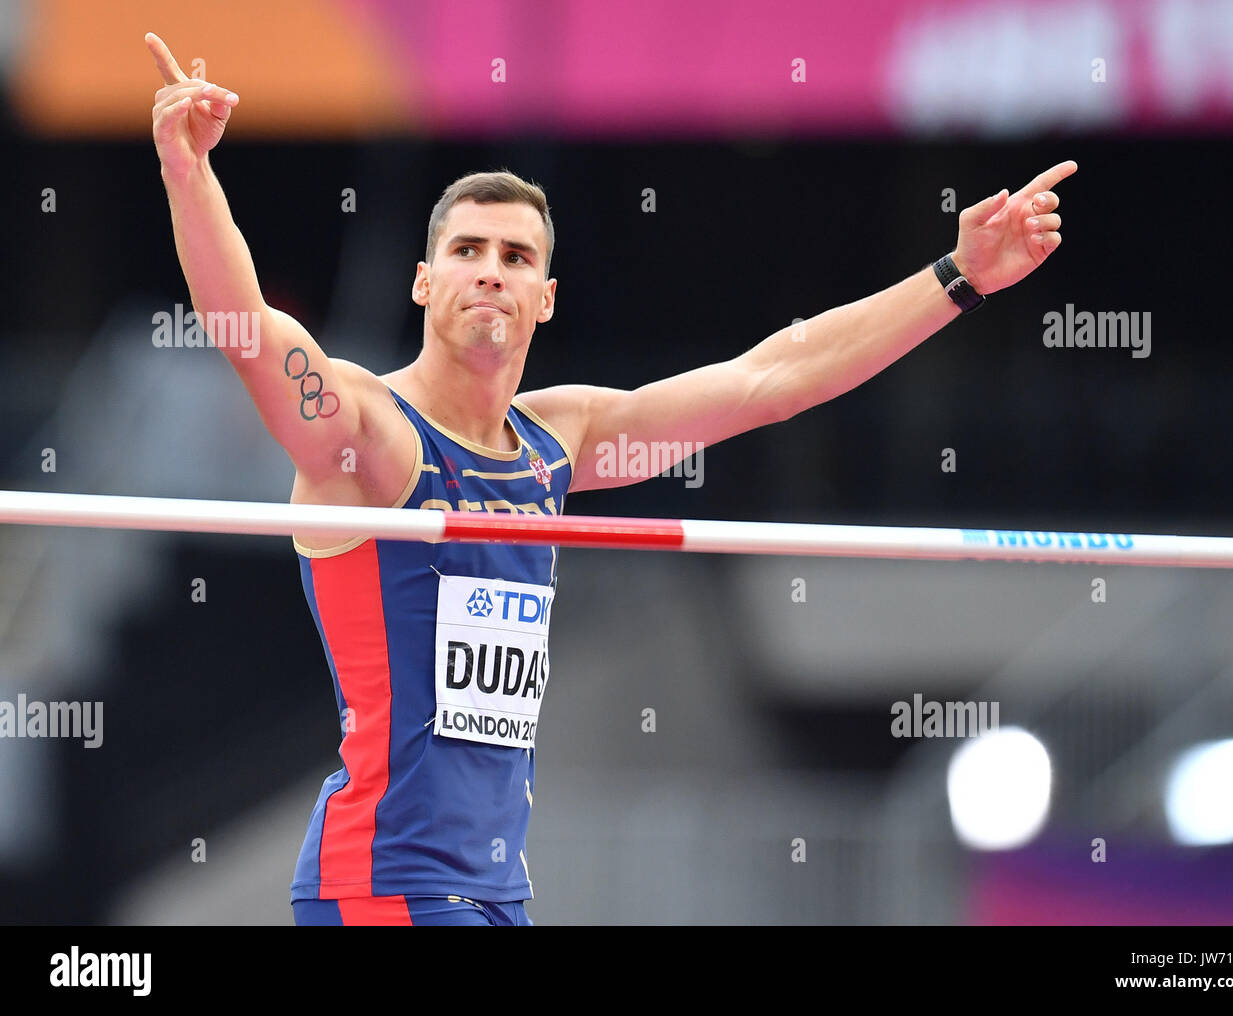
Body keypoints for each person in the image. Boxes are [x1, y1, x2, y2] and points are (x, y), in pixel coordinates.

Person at [147, 31, 1076, 926]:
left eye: (515, 258)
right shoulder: (368, 436)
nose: (489, 275)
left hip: (497, 891)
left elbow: (771, 378)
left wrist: (958, 276)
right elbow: (250, 332)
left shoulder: (563, 438)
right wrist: (190, 176)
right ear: (425, 283)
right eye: (466, 252)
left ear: (545, 297)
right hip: (384, 881)